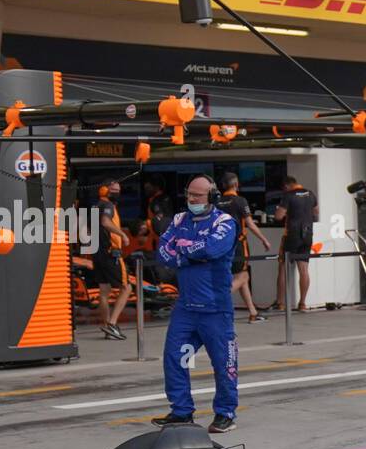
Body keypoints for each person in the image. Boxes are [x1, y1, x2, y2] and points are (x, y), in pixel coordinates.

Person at [152, 175, 240, 434]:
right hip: (186, 308)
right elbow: (163, 252)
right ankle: (181, 412)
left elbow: (212, 250)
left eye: (198, 196)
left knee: (224, 363)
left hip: (215, 308)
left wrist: (183, 250)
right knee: (174, 358)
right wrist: (188, 254)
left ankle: (225, 413)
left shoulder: (224, 222)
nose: (192, 199)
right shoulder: (179, 220)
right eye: (189, 194)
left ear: (212, 197)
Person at [216, 173, 272, 322]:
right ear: (236, 185)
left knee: (242, 278)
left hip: (222, 246)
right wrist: (264, 239)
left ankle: (253, 312)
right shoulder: (240, 201)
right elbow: (250, 224)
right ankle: (216, 301)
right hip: (239, 245)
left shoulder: (217, 203)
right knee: (243, 276)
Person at [93, 181, 133, 339]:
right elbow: (105, 222)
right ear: (103, 190)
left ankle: (107, 326)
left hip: (97, 253)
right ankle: (112, 324)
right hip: (111, 253)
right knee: (127, 288)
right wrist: (122, 234)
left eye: (118, 190)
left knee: (104, 291)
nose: (117, 193)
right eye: (113, 190)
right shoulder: (108, 206)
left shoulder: (94, 206)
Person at [272, 175, 318, 312]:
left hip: (291, 235)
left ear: (286, 186)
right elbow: (316, 212)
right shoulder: (310, 193)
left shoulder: (288, 195)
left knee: (283, 268)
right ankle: (302, 304)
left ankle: (280, 303)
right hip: (307, 234)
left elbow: (279, 216)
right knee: (304, 269)